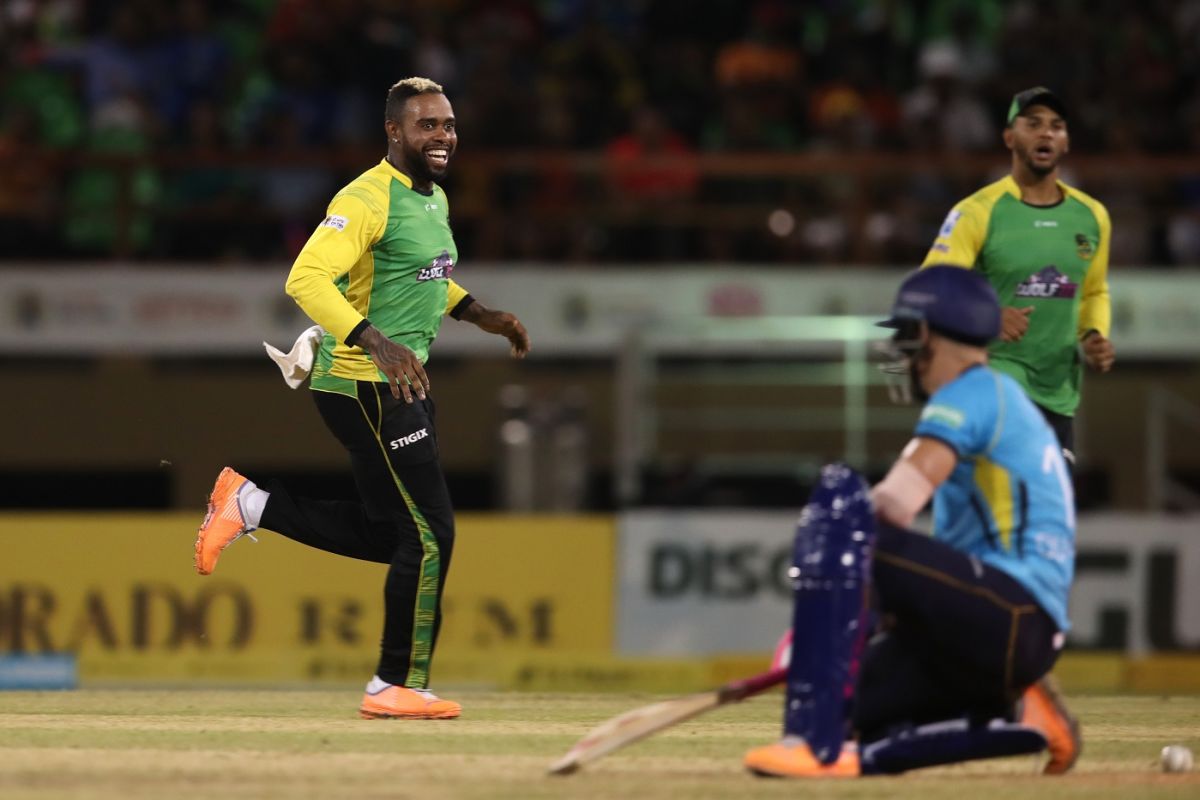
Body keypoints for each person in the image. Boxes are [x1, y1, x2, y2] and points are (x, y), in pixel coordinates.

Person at [193, 77, 531, 720]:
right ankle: (394, 683)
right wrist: (373, 340)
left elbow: (421, 277)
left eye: (449, 124)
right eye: (428, 125)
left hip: (397, 381)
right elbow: (306, 277)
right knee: (431, 534)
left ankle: (250, 503)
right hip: (363, 382)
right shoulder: (365, 197)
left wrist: (479, 313)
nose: (443, 136)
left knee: (396, 535)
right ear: (394, 132)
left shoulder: (431, 199)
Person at [745, 265, 1080, 777]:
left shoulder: (969, 393)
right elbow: (934, 563)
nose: (900, 352)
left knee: (843, 521)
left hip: (1013, 615)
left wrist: (817, 632)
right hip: (1008, 627)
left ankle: (814, 742)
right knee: (853, 718)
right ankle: (1025, 717)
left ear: (928, 333)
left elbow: (891, 507)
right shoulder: (997, 395)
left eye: (905, 334)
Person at [922, 86, 1115, 470]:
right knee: (1012, 506)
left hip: (1059, 394)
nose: (1046, 133)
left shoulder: (1092, 216)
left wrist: (1093, 334)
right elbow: (931, 287)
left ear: (1066, 141)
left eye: (1056, 126)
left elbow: (1093, 290)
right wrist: (990, 314)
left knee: (1049, 519)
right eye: (1033, 124)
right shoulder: (977, 211)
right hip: (993, 385)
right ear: (1010, 137)